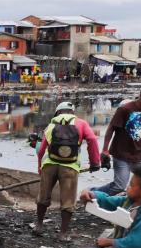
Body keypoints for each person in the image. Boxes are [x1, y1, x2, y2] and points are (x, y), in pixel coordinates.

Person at [34, 102, 101, 240]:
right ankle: (63, 233)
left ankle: (39, 225)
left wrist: (40, 167)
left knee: (43, 196)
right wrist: (95, 162)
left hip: (49, 165)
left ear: (58, 112)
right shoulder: (81, 123)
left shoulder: (51, 125)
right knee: (68, 200)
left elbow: (41, 151)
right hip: (70, 166)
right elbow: (92, 140)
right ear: (72, 112)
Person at [96, 83, 141, 195]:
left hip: (140, 155)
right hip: (122, 155)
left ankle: (131, 201)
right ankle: (93, 193)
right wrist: (105, 149)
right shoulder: (125, 109)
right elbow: (111, 129)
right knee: (119, 186)